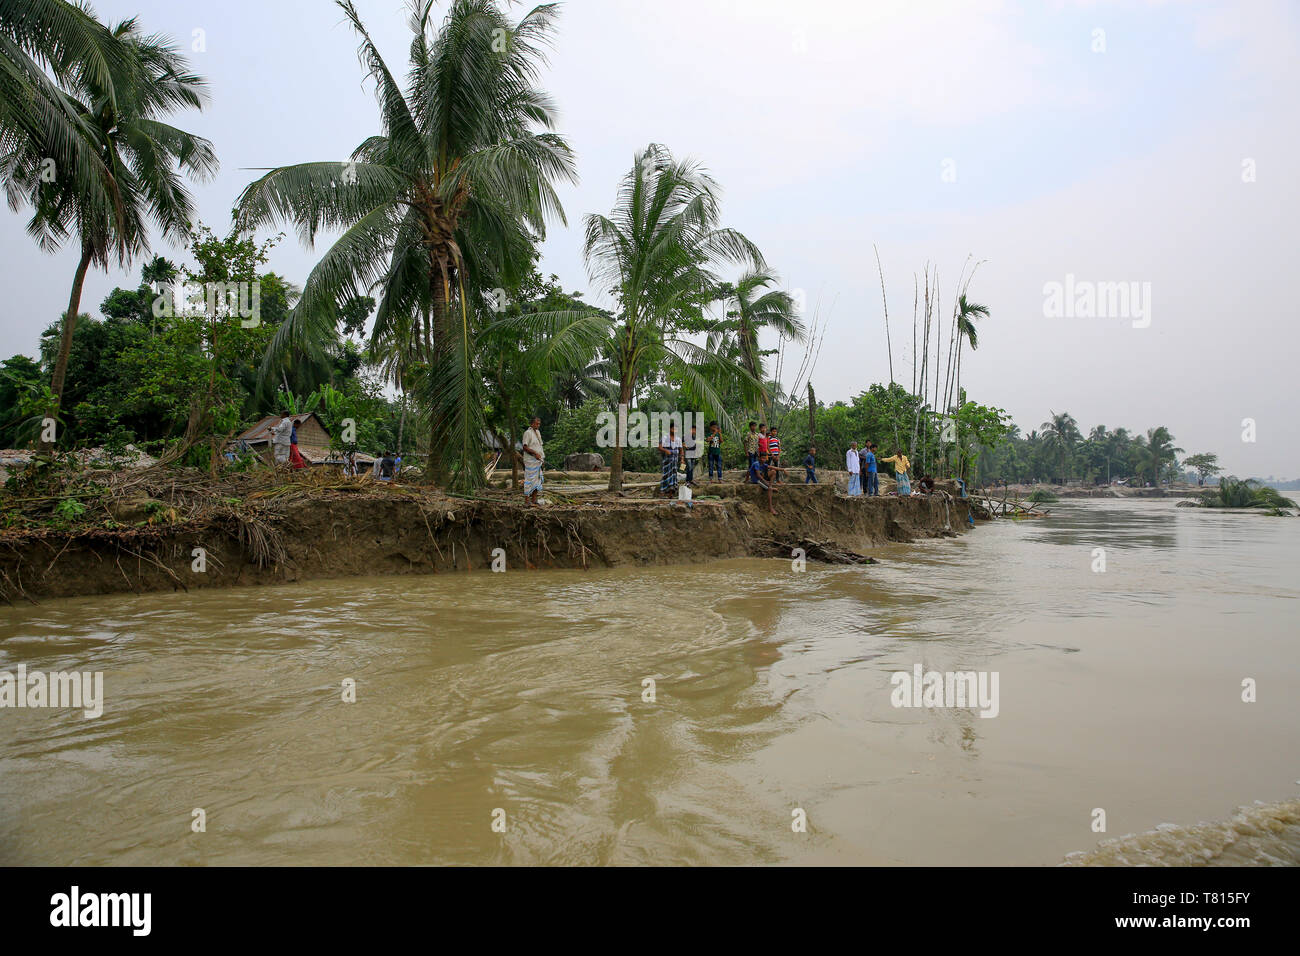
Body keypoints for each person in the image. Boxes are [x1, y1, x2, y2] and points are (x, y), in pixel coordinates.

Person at [522, 415, 545, 505]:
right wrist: (534, 453)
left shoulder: (538, 432)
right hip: (530, 461)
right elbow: (524, 447)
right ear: (531, 424)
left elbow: (539, 446)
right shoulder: (527, 433)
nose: (538, 425)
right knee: (529, 480)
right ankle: (527, 501)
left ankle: (534, 500)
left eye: (539, 424)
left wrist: (541, 457)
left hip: (538, 461)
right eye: (536, 424)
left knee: (537, 480)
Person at [658, 421, 682, 496]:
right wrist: (666, 450)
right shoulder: (665, 437)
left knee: (674, 475)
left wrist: (682, 459)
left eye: (676, 429)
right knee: (666, 475)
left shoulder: (678, 439)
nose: (674, 430)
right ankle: (662, 491)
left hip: (675, 460)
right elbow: (659, 447)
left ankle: (670, 494)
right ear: (670, 429)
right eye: (673, 429)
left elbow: (681, 450)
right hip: (667, 460)